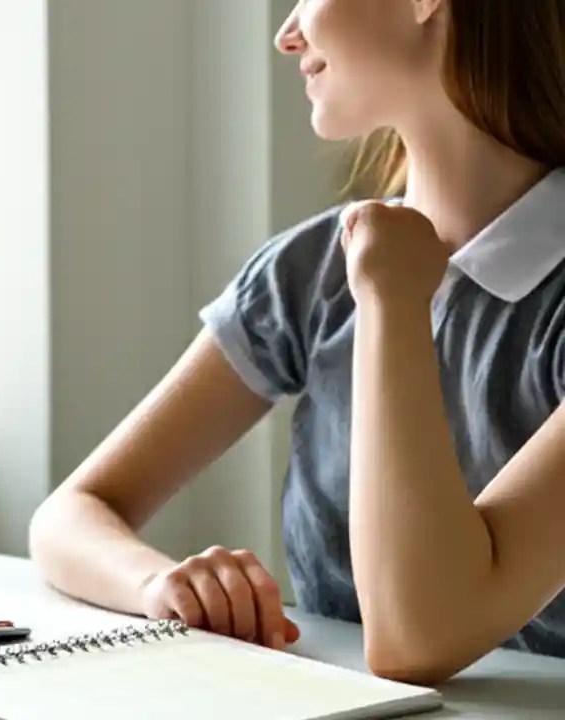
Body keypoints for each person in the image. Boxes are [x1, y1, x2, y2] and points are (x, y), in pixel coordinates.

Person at [28, 0, 565, 686]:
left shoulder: (376, 275)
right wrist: (161, 589)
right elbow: (70, 515)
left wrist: (392, 300)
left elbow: (419, 641)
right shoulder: (310, 269)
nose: (287, 34)